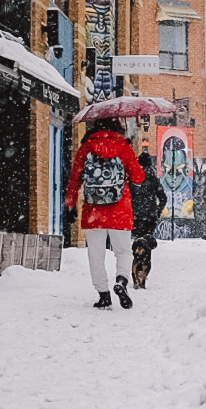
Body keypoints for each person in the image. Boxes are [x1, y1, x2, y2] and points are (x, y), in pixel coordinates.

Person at [64, 118, 145, 309]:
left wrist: (70, 205)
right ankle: (121, 281)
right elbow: (139, 177)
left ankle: (103, 295)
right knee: (123, 251)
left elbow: (74, 180)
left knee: (95, 254)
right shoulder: (123, 146)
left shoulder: (86, 148)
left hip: (94, 211)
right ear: (116, 126)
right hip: (120, 209)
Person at [130, 152, 168, 289]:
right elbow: (163, 197)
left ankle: (135, 271)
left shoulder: (133, 177)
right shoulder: (152, 178)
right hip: (150, 217)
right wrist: (157, 211)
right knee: (147, 246)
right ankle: (144, 274)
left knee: (137, 244)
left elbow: (127, 195)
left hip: (135, 216)